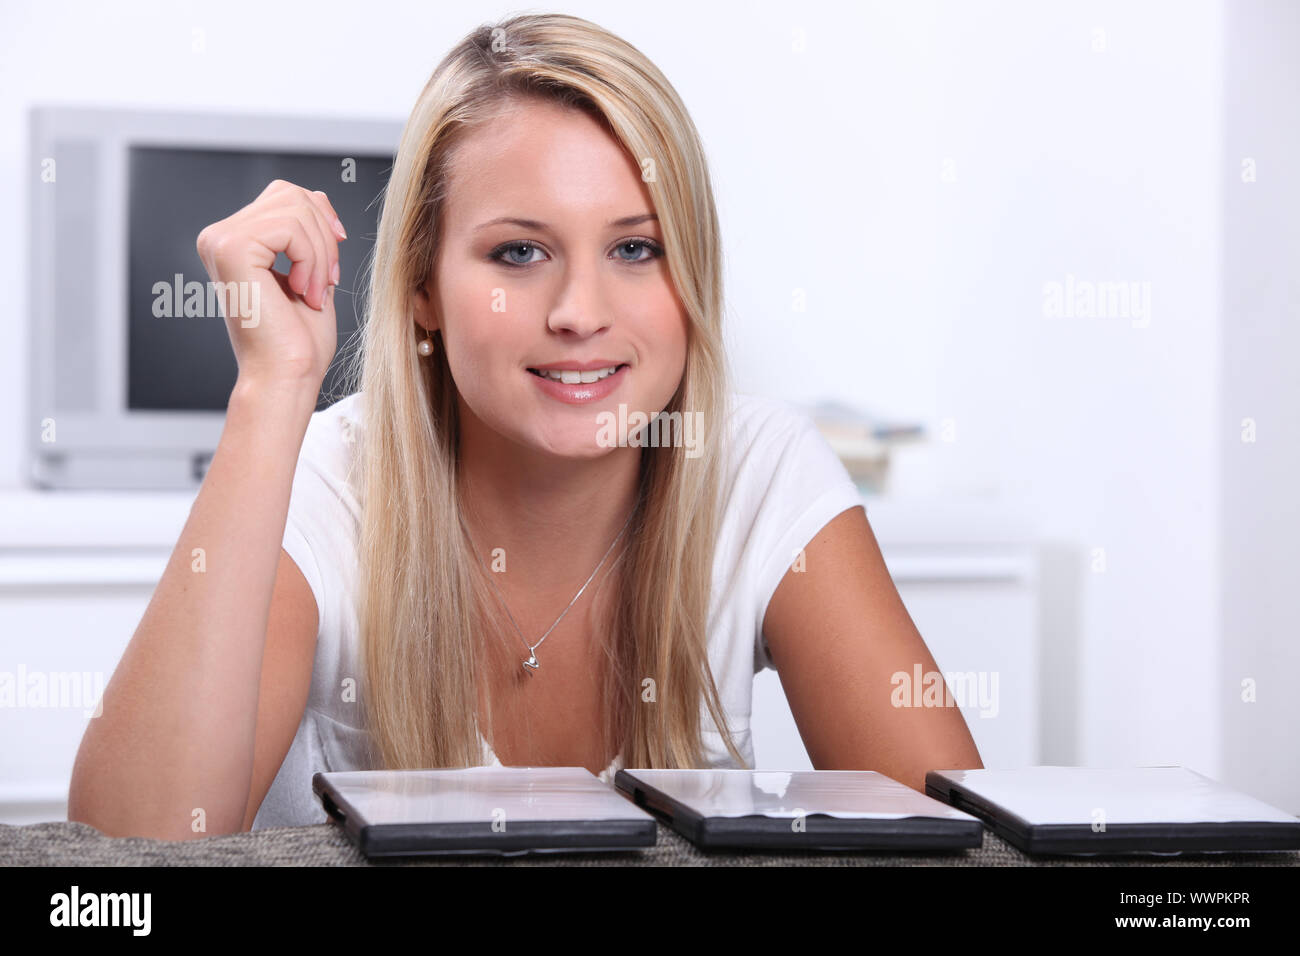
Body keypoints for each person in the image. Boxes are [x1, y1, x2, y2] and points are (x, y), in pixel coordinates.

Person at [68, 12, 981, 839]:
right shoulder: (330, 482)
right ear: (422, 285)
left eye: (636, 248)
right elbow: (125, 856)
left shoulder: (762, 471)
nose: (581, 311)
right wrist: (272, 390)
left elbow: (965, 841)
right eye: (519, 252)